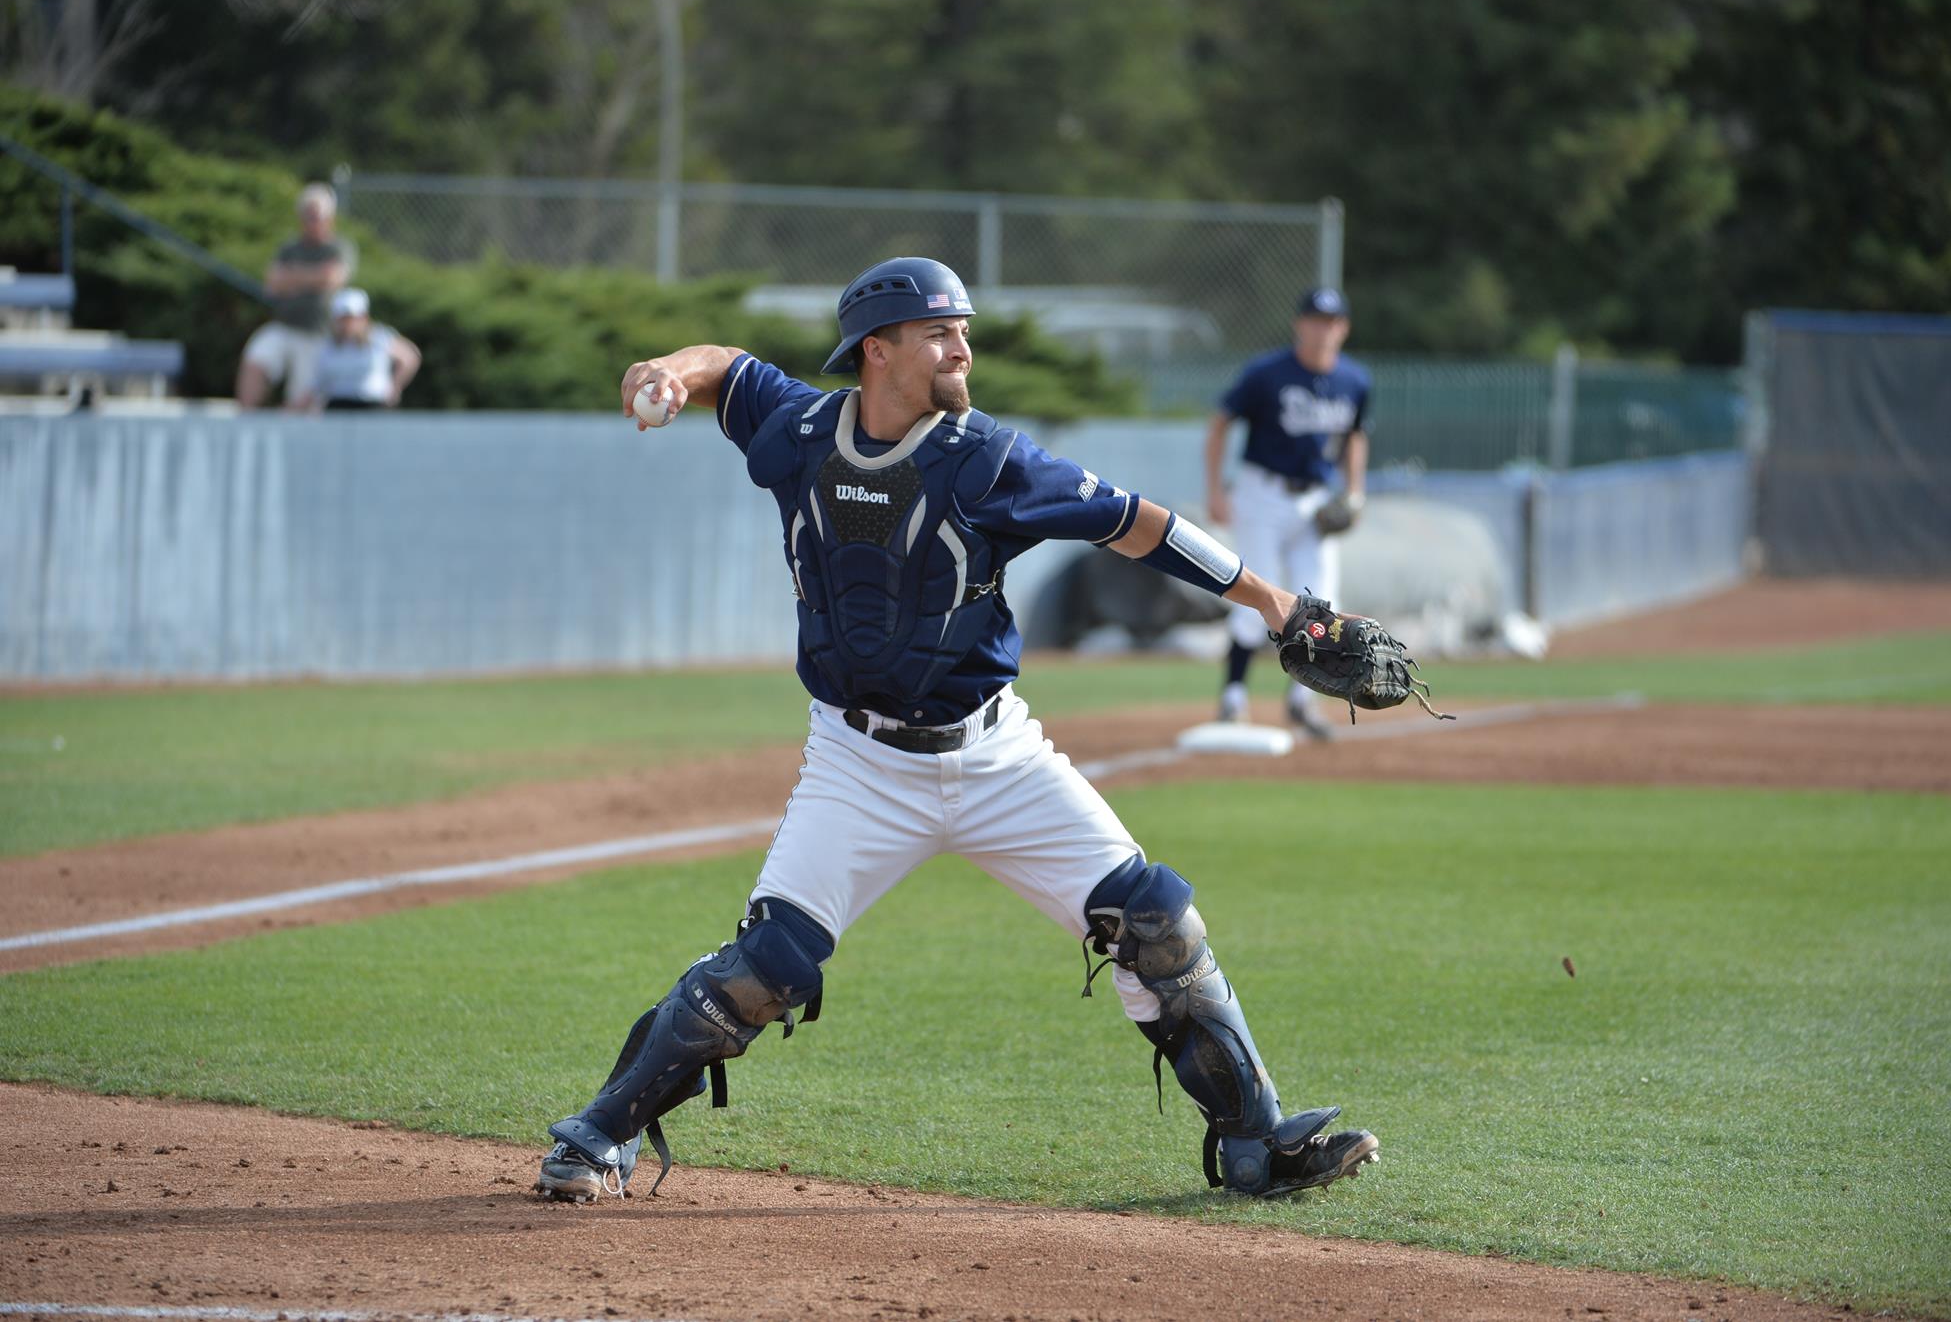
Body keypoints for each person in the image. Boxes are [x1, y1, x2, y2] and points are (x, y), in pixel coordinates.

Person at [534, 258, 1380, 1205]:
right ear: (877, 349)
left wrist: (1272, 601)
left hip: (996, 755)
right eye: (940, 332)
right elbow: (725, 364)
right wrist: (666, 369)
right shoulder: (801, 428)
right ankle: (600, 1132)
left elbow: (1137, 522)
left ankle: (1257, 1141)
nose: (962, 349)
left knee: (1157, 924)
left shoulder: (988, 459)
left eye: (965, 331)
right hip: (858, 762)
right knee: (765, 968)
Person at [1204, 288, 1370, 740]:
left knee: (1321, 602)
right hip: (1262, 494)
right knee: (1255, 593)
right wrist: (1215, 489)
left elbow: (1355, 435)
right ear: (1299, 324)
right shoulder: (1268, 373)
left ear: (1343, 329)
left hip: (1315, 500)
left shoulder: (1354, 380)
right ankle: (1233, 696)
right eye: (1315, 320)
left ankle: (1302, 701)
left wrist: (1355, 492)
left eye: (1332, 321)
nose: (1323, 329)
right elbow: (1220, 424)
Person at [235, 182, 357, 409]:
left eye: (317, 216)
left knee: (302, 400)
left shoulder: (338, 248)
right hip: (284, 326)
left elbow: (332, 278)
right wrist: (314, 277)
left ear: (330, 218)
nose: (312, 222)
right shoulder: (289, 248)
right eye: (308, 216)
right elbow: (273, 284)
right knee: (256, 358)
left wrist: (293, 277)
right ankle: (247, 414)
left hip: (316, 334)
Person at [308, 289, 421, 410]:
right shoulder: (328, 345)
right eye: (343, 318)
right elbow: (318, 382)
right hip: (337, 404)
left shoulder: (379, 338)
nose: (348, 323)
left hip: (372, 405)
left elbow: (409, 358)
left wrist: (395, 387)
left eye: (352, 318)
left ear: (364, 317)